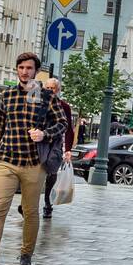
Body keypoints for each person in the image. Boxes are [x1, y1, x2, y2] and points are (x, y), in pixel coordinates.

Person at [0, 53, 65, 265]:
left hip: (34, 164)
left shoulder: (46, 97)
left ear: (36, 71)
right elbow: (0, 125)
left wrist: (44, 133)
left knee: (31, 212)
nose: (24, 72)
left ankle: (26, 256)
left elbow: (62, 123)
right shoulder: (7, 95)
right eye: (21, 67)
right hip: (8, 160)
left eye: (29, 68)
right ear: (17, 70)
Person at [42, 79, 73, 219]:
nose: (50, 90)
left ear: (57, 90)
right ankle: (27, 203)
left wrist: (68, 149)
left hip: (55, 144)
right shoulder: (37, 103)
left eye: (52, 88)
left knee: (52, 172)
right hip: (39, 142)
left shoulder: (64, 106)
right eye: (47, 87)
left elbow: (69, 129)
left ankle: (48, 201)